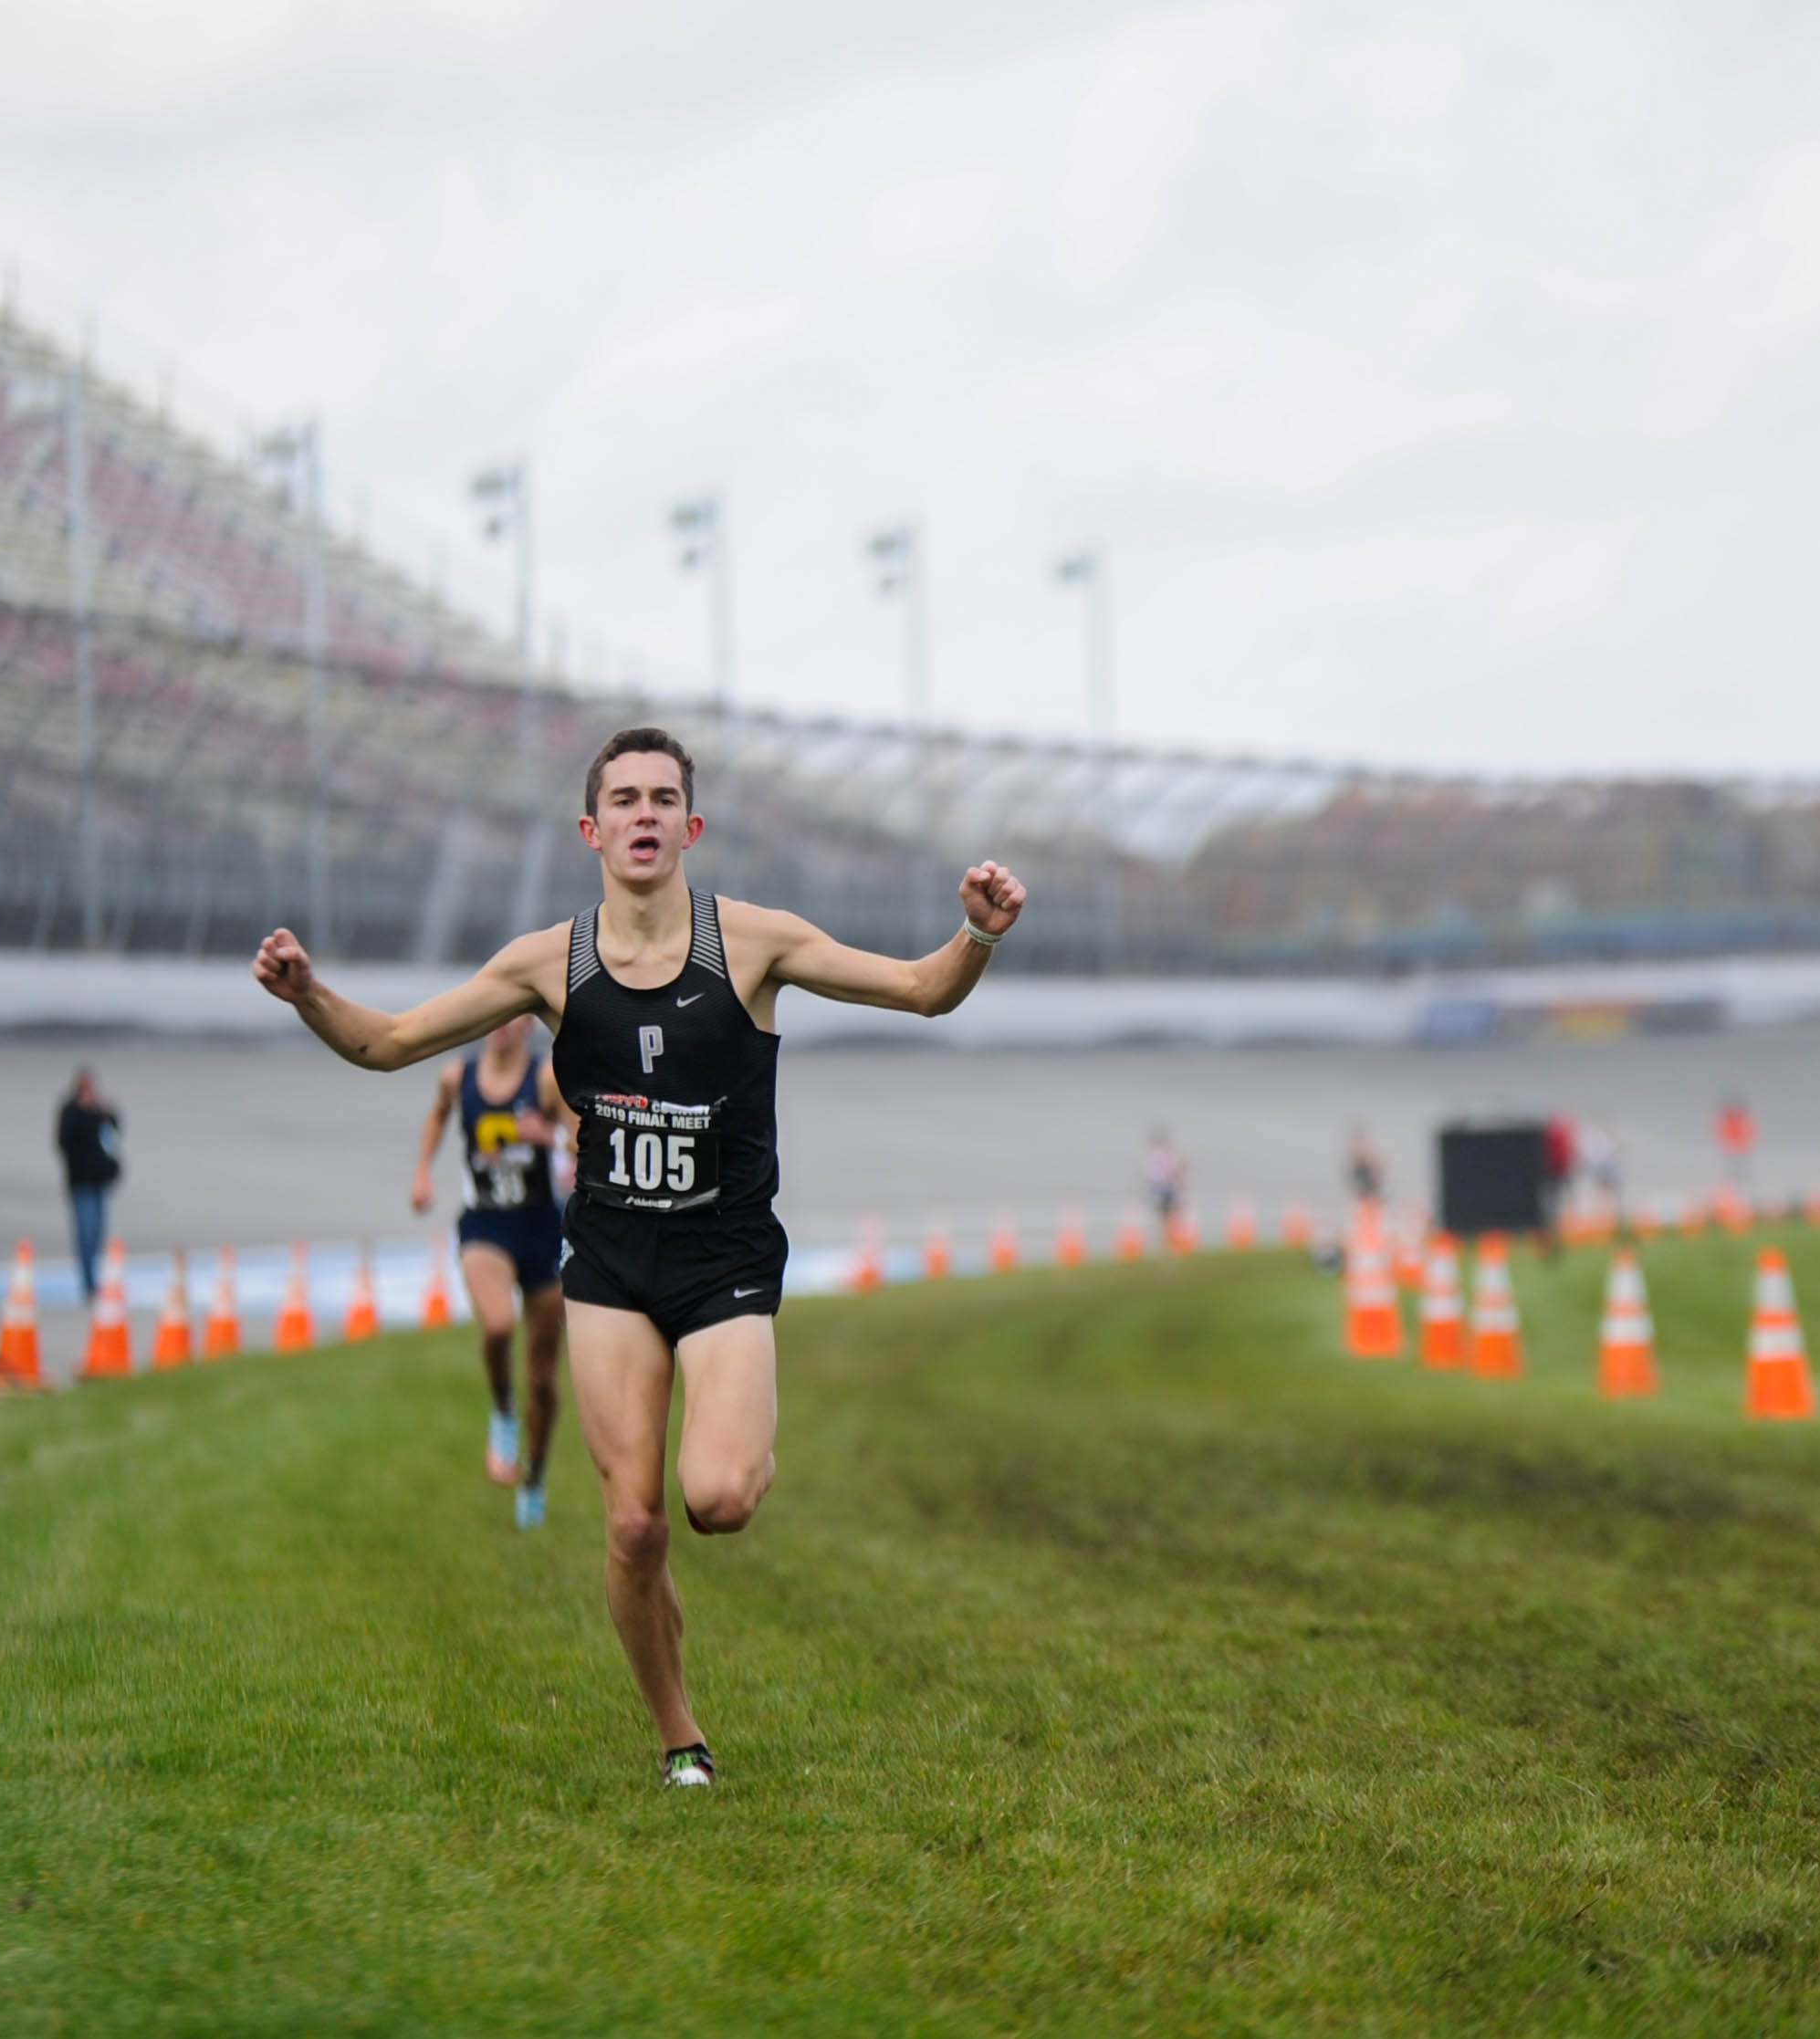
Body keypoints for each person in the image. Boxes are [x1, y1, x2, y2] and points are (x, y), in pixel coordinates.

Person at [254, 727, 1026, 1789]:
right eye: (624, 799)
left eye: (664, 798)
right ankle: (679, 1738)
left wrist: (974, 937)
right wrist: (306, 994)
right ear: (592, 829)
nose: (645, 814)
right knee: (632, 1521)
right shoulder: (545, 963)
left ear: (692, 827)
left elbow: (919, 989)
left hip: (725, 1262)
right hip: (611, 1264)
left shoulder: (752, 943)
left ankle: (743, 1438)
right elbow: (388, 1042)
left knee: (716, 1498)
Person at [411, 1012, 575, 1530]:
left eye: (515, 1016)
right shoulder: (458, 1077)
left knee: (544, 1378)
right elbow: (439, 1114)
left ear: (530, 1023)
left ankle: (535, 1475)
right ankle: (503, 1410)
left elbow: (582, 1137)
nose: (502, 1025)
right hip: (486, 1227)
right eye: (496, 1015)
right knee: (500, 1325)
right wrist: (422, 1173)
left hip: (544, 1231)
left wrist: (547, 1136)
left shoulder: (547, 1078)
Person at [57, 1068, 122, 1302]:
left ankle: (93, 1278)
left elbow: (113, 1138)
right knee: (85, 1232)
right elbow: (64, 1143)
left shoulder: (101, 1113)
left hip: (99, 1182)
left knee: (97, 1233)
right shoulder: (71, 1113)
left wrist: (106, 1113)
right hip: (81, 1182)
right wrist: (83, 1113)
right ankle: (88, 1283)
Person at [1142, 1126, 1187, 1237]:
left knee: (1166, 1215)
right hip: (1165, 1188)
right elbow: (1174, 1171)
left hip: (1162, 1189)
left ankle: (1168, 1237)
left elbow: (1153, 1175)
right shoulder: (1163, 1155)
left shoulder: (1155, 1155)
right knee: (1168, 1214)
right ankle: (1169, 1237)